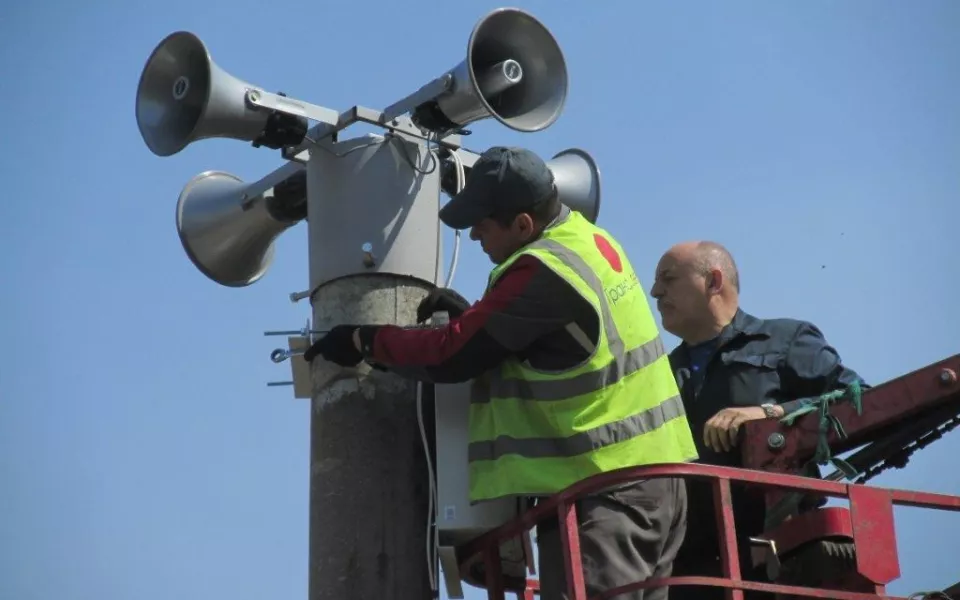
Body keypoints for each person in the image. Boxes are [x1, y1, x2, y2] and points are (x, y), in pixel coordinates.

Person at [303, 146, 700, 600]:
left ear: (523, 225)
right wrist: (480, 318)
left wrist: (363, 340)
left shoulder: (544, 272)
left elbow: (450, 356)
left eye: (483, 224)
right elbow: (551, 340)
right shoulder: (588, 240)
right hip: (657, 483)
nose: (474, 236)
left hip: (607, 493)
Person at [649, 240, 867, 599]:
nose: (656, 292)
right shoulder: (658, 374)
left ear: (713, 281)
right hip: (687, 570)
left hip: (776, 559)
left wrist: (770, 414)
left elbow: (857, 400)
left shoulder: (785, 340)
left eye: (668, 279)